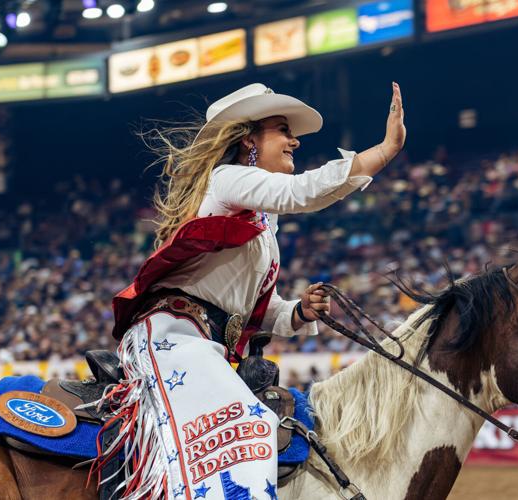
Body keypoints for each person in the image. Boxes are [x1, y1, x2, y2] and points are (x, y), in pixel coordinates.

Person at [95, 82, 406, 499]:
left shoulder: (261, 221)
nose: (295, 139)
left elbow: (259, 309)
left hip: (205, 344)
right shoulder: (226, 179)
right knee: (244, 428)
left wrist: (298, 311)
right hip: (175, 340)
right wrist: (384, 150)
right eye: (282, 129)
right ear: (249, 142)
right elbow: (302, 193)